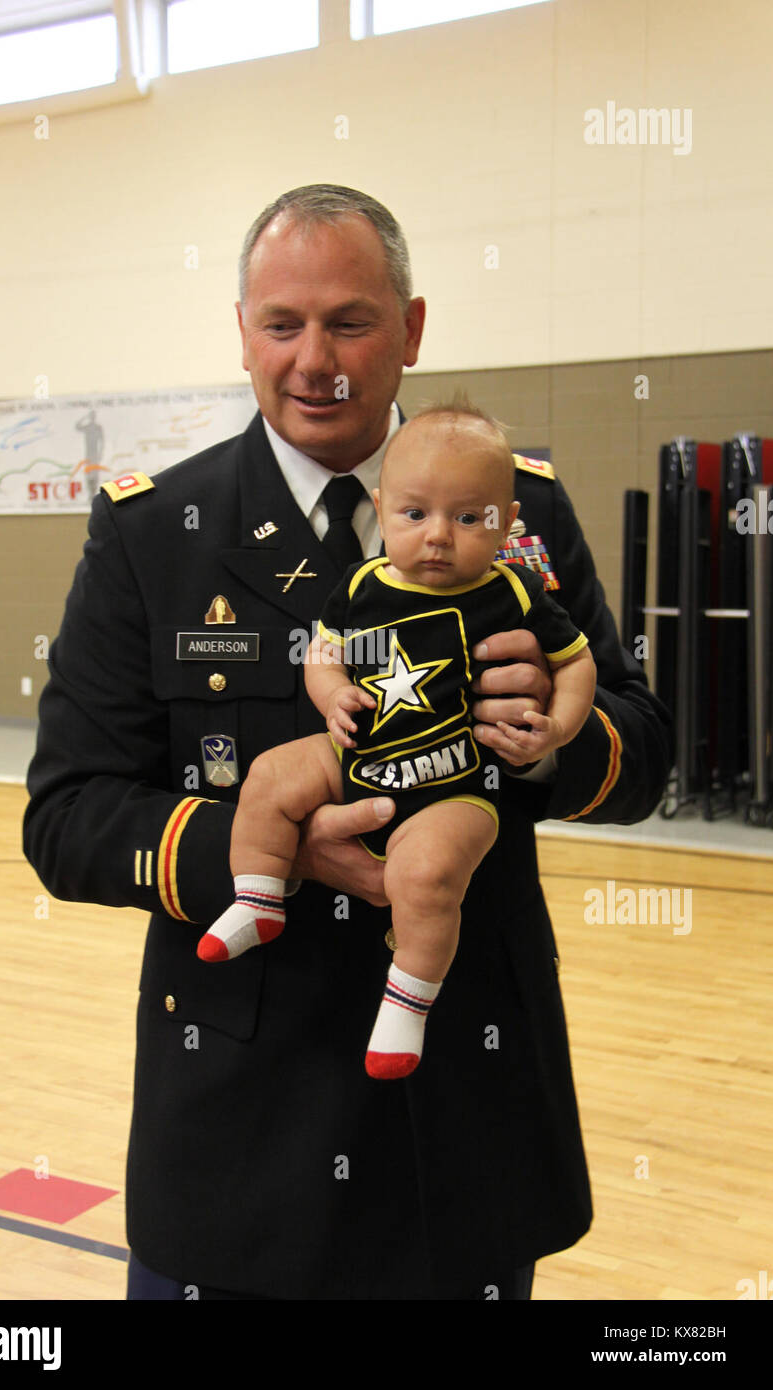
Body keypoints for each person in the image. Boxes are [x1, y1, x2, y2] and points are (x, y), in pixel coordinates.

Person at [23, 183, 671, 1301]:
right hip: (237, 1131)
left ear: (411, 329)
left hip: (460, 1121)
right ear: (241, 332)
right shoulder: (150, 534)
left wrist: (546, 738)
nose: (312, 359)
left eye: (350, 321)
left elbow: (639, 753)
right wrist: (262, 848)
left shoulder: (512, 508)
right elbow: (68, 817)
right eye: (281, 324)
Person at [198, 407, 597, 1083]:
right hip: (361, 755)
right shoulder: (360, 586)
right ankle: (259, 896)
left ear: (506, 518)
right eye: (416, 515)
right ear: (384, 510)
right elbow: (320, 656)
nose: (439, 536)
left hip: (455, 785)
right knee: (268, 777)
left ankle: (406, 1003)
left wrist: (555, 729)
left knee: (427, 876)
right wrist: (332, 698)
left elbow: (579, 663)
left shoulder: (513, 594)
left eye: (469, 519)